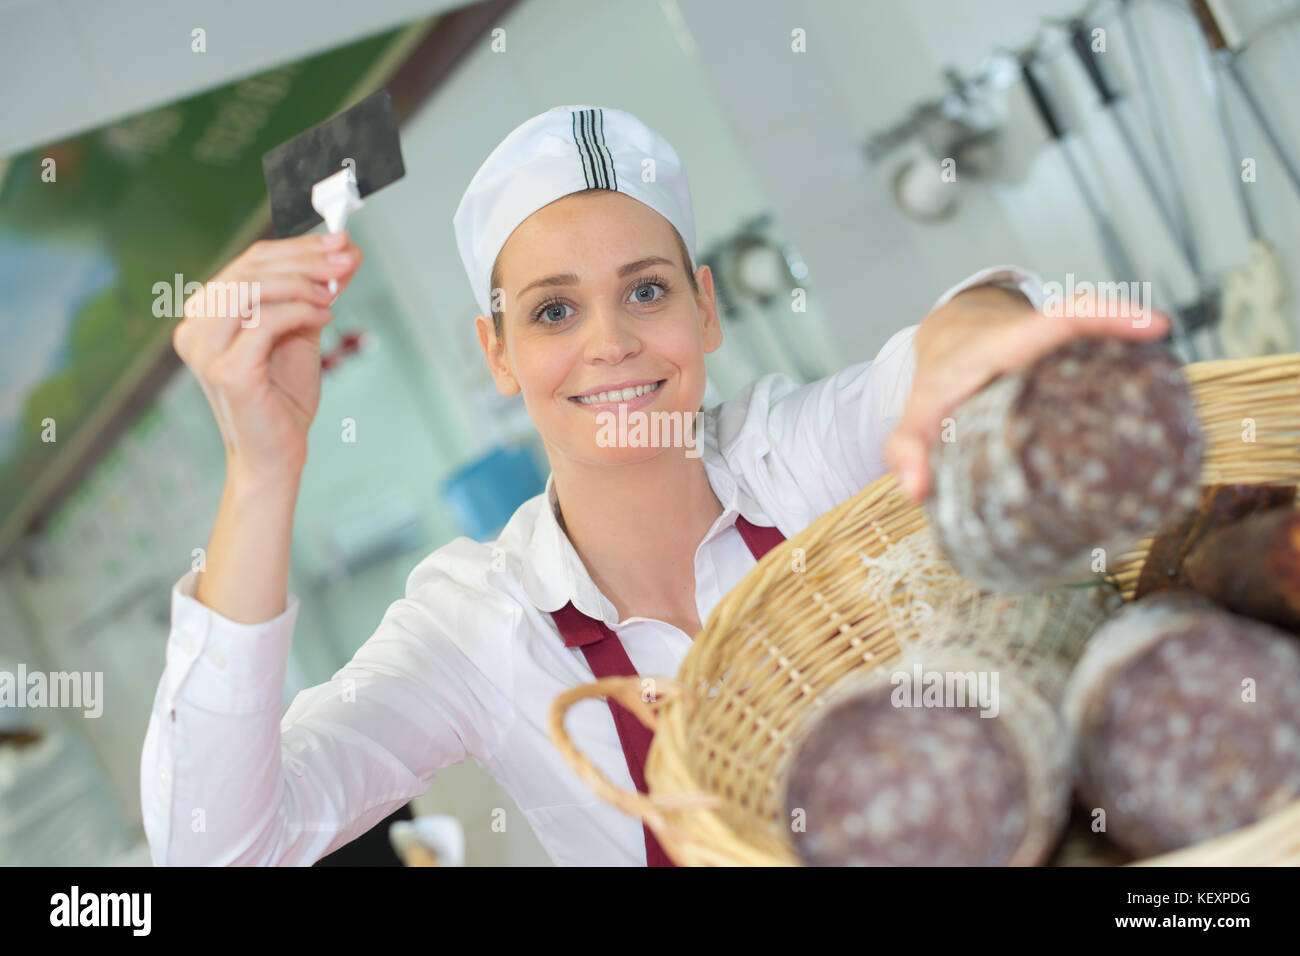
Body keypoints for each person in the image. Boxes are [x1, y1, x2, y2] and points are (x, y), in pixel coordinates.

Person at [143, 104, 1169, 866]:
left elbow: (952, 341)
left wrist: (974, 337)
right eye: (552, 311)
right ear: (495, 354)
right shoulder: (477, 628)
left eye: (644, 289)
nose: (611, 342)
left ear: (704, 308)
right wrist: (260, 468)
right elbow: (217, 845)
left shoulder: (800, 458)